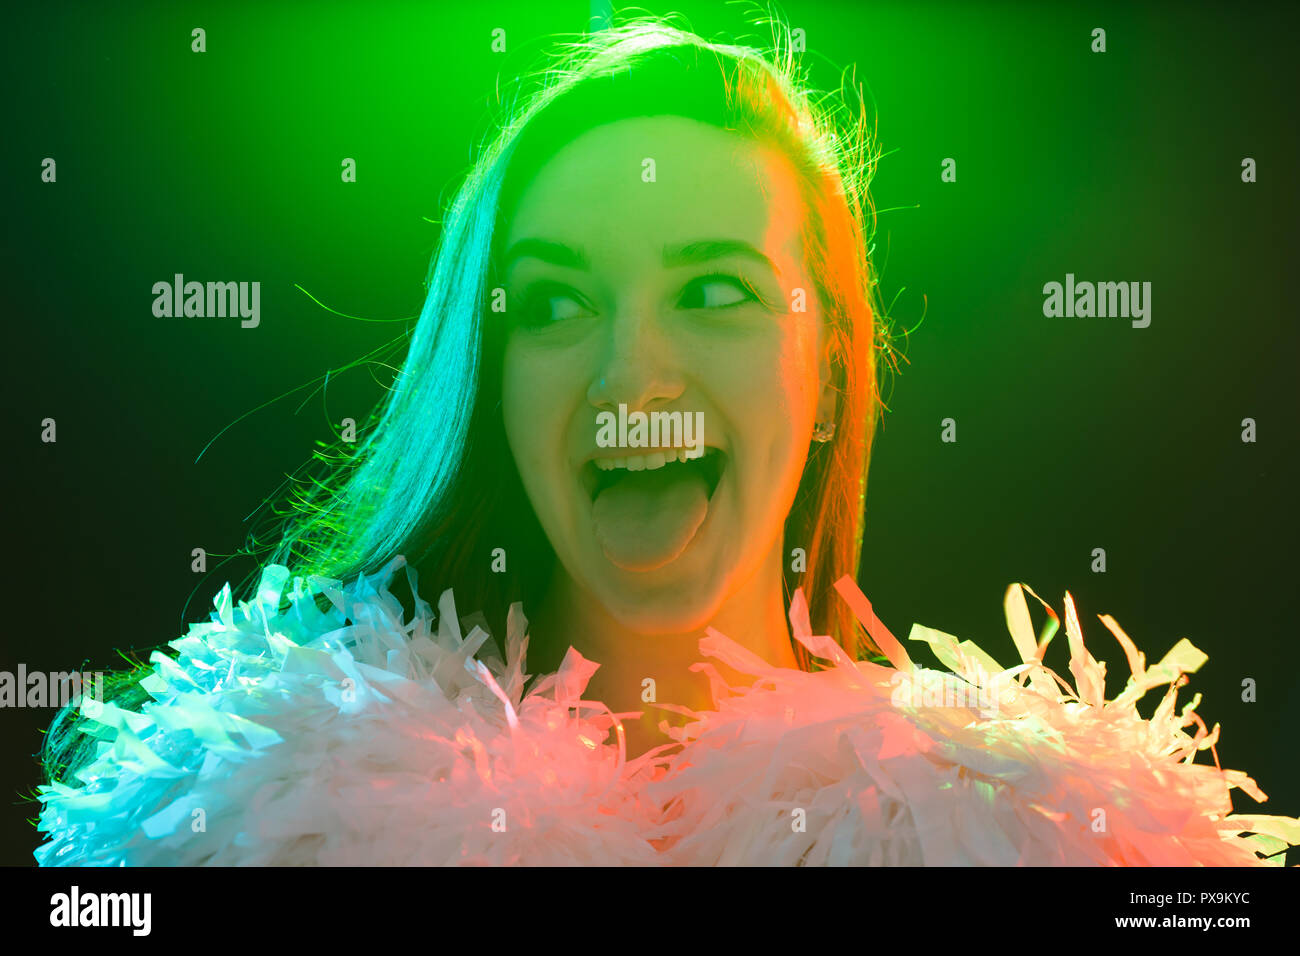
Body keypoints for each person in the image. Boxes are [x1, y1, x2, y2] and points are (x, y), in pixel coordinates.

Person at [33, 18, 1298, 866]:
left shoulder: (1065, 836)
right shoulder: (236, 815)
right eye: (555, 303)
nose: (631, 372)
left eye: (714, 292)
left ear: (829, 365)